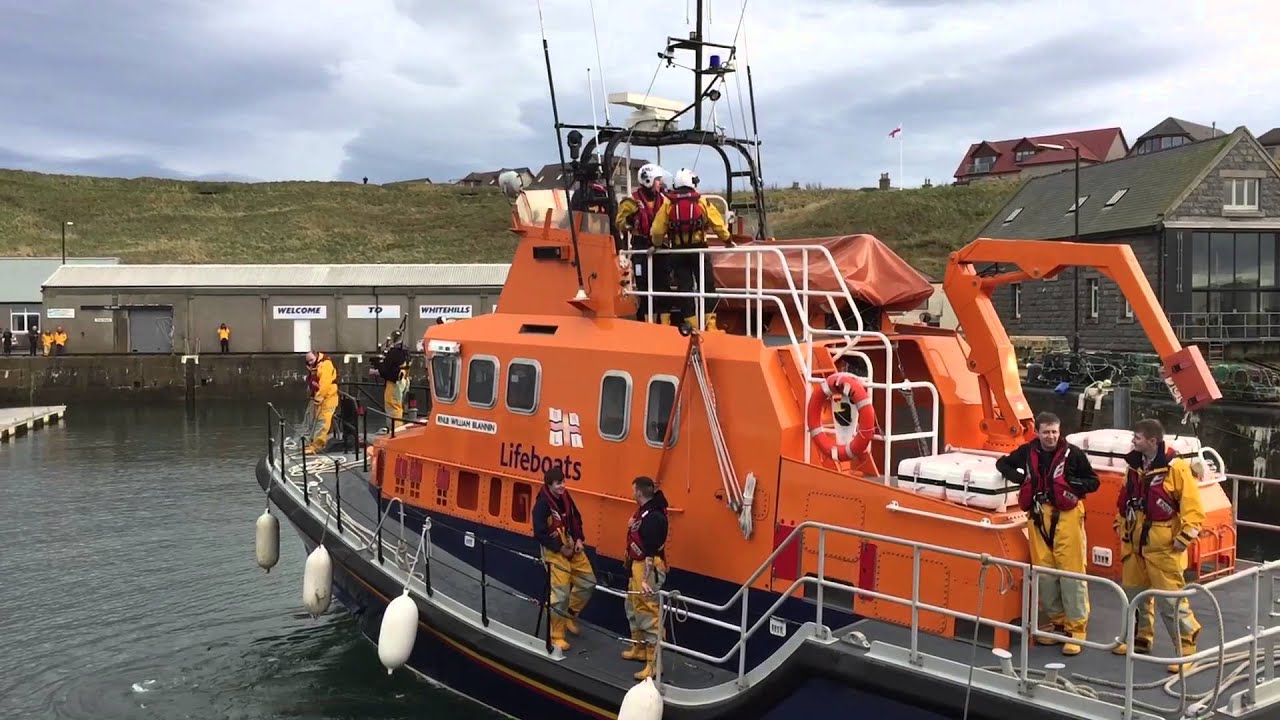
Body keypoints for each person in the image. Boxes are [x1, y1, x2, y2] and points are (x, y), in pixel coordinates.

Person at [995, 411, 1099, 655]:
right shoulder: (1028, 452)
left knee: (1071, 572)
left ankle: (1077, 628)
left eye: (1054, 431)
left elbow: (1093, 482)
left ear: (1059, 431)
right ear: (1038, 433)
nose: (1051, 436)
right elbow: (1003, 463)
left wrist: (1072, 485)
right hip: (1038, 516)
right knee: (1045, 572)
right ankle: (1058, 621)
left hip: (1068, 516)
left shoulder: (1073, 455)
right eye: (1046, 432)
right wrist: (1023, 480)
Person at [1112, 418, 1203, 673]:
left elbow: (1194, 510)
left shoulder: (1177, 469)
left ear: (1152, 441)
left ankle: (1186, 648)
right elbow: (1125, 500)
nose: (1133, 441)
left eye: (1137, 438)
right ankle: (1140, 638)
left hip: (1163, 547)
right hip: (1134, 543)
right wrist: (1120, 525)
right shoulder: (1133, 467)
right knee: (1133, 595)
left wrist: (1183, 538)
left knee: (1171, 601)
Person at [649, 167, 734, 332]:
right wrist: (727, 239)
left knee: (684, 288)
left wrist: (657, 244)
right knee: (707, 286)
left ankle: (692, 325)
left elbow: (657, 230)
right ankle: (710, 325)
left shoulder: (668, 203)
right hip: (699, 250)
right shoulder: (701, 201)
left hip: (678, 252)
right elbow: (717, 223)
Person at [531, 466, 595, 651]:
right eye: (559, 483)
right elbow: (539, 533)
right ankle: (556, 635)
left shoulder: (566, 498)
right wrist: (559, 548)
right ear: (549, 484)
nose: (562, 486)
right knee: (560, 594)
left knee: (588, 582)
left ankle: (569, 614)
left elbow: (575, 519)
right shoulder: (542, 505)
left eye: (563, 482)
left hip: (570, 545)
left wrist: (579, 539)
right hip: (554, 551)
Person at [621, 476, 670, 680]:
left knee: (648, 611)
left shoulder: (654, 516)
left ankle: (654, 662)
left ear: (639, 492)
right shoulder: (645, 511)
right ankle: (639, 647)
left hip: (647, 567)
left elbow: (650, 547)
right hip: (637, 566)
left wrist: (646, 576)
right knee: (632, 605)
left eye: (633, 490)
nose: (632, 493)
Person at [616, 163, 674, 324]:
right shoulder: (631, 202)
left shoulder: (664, 200)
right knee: (644, 287)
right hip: (641, 249)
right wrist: (629, 224)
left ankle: (665, 324)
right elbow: (620, 222)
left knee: (663, 287)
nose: (660, 183)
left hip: (660, 248)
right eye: (657, 180)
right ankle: (649, 323)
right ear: (648, 180)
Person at [375, 330, 410, 431]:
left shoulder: (394, 352)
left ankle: (396, 431)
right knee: (399, 406)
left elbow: (387, 369)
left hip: (395, 382)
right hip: (404, 380)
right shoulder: (405, 350)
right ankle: (398, 428)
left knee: (393, 407)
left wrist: (379, 366)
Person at [304, 350, 339, 453]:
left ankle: (317, 445)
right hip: (317, 397)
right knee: (311, 420)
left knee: (322, 422)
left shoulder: (326, 365)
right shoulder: (315, 366)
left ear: (316, 356)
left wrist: (319, 398)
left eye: (311, 360)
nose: (310, 363)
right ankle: (309, 442)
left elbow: (325, 384)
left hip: (328, 398)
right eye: (308, 361)